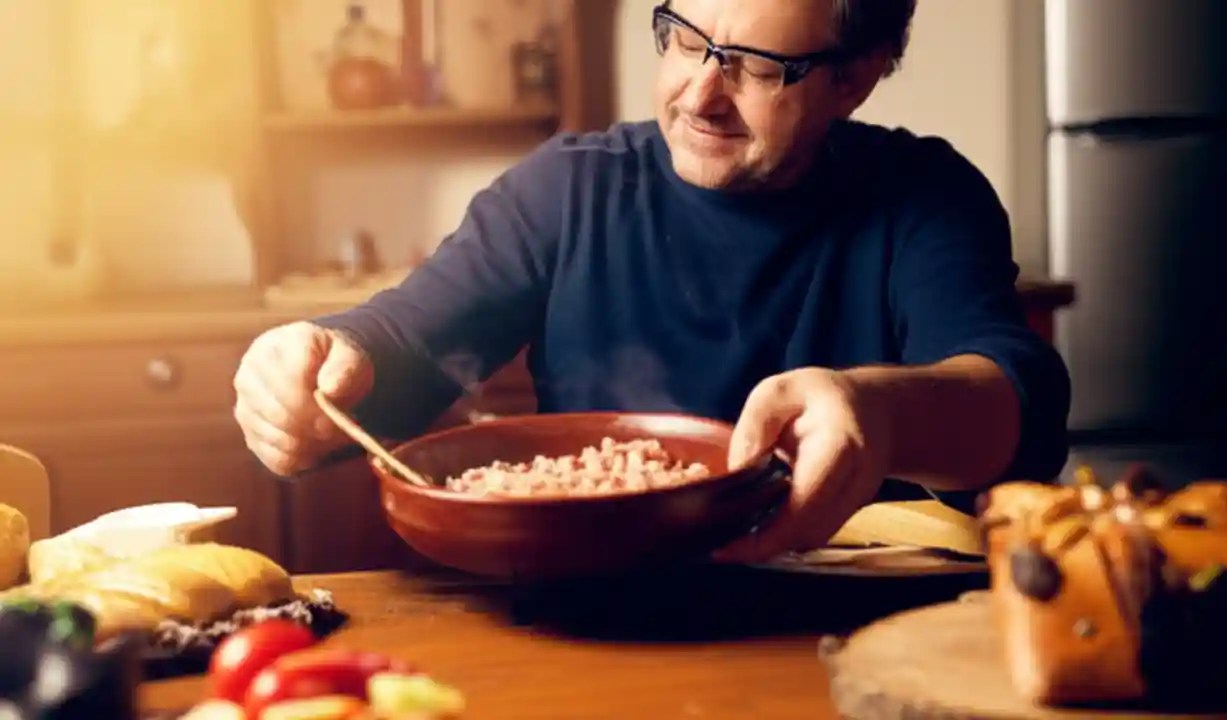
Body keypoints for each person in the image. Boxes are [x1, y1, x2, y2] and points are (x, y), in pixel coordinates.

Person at [233, 0, 1070, 564]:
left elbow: (1017, 405)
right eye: (684, 37)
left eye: (756, 65)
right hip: (589, 617)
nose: (700, 94)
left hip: (839, 628)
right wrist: (318, 365)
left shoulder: (923, 196)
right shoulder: (569, 189)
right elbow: (410, 343)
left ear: (853, 77)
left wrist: (879, 412)